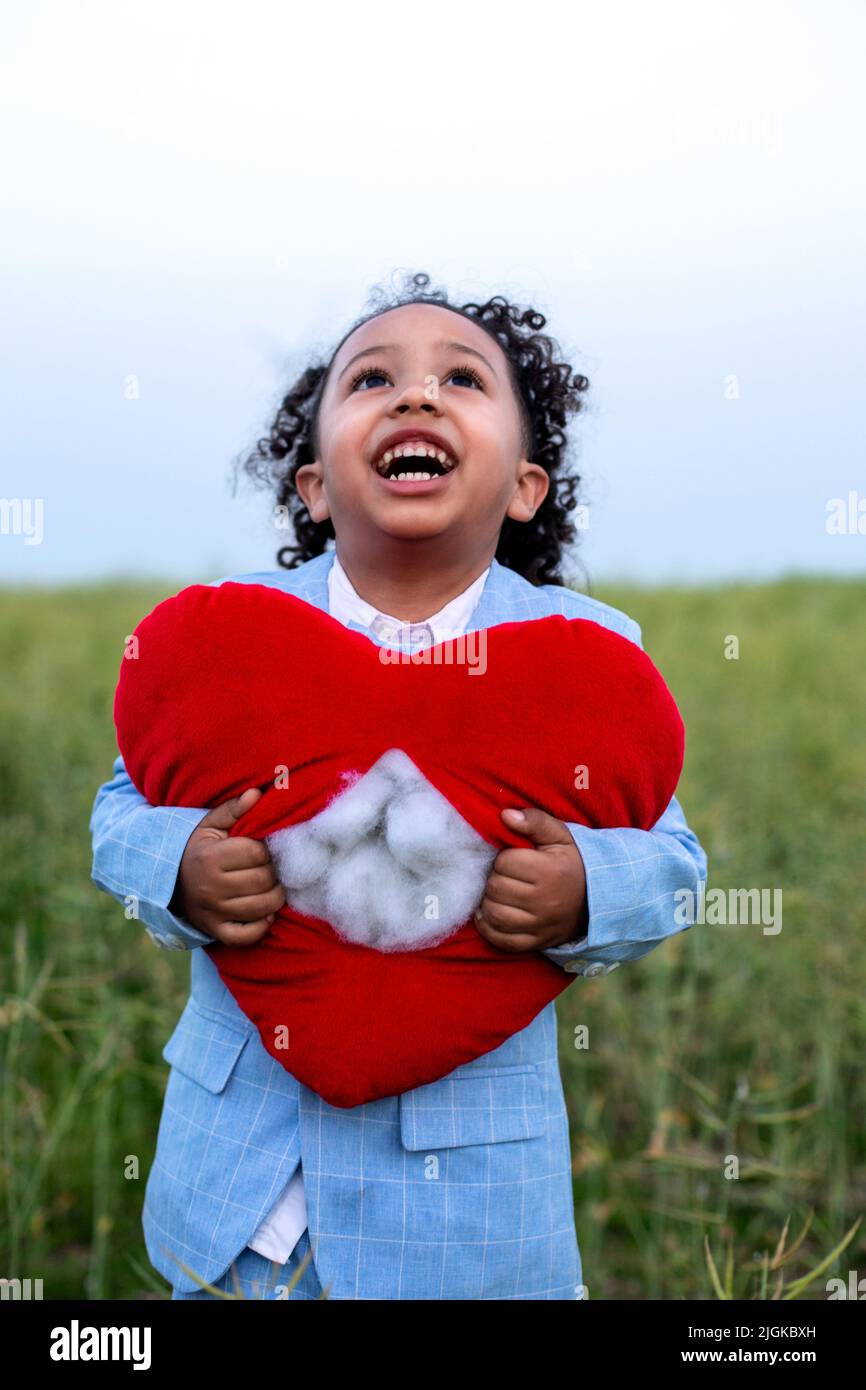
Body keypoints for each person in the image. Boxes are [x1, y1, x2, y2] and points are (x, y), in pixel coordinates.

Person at [90, 270, 707, 1300]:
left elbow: (676, 862)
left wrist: (588, 886)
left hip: (465, 1224)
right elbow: (122, 809)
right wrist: (177, 868)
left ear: (522, 484)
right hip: (238, 1200)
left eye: (461, 380)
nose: (414, 396)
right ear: (315, 485)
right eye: (370, 379)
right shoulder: (225, 641)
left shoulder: (587, 659)